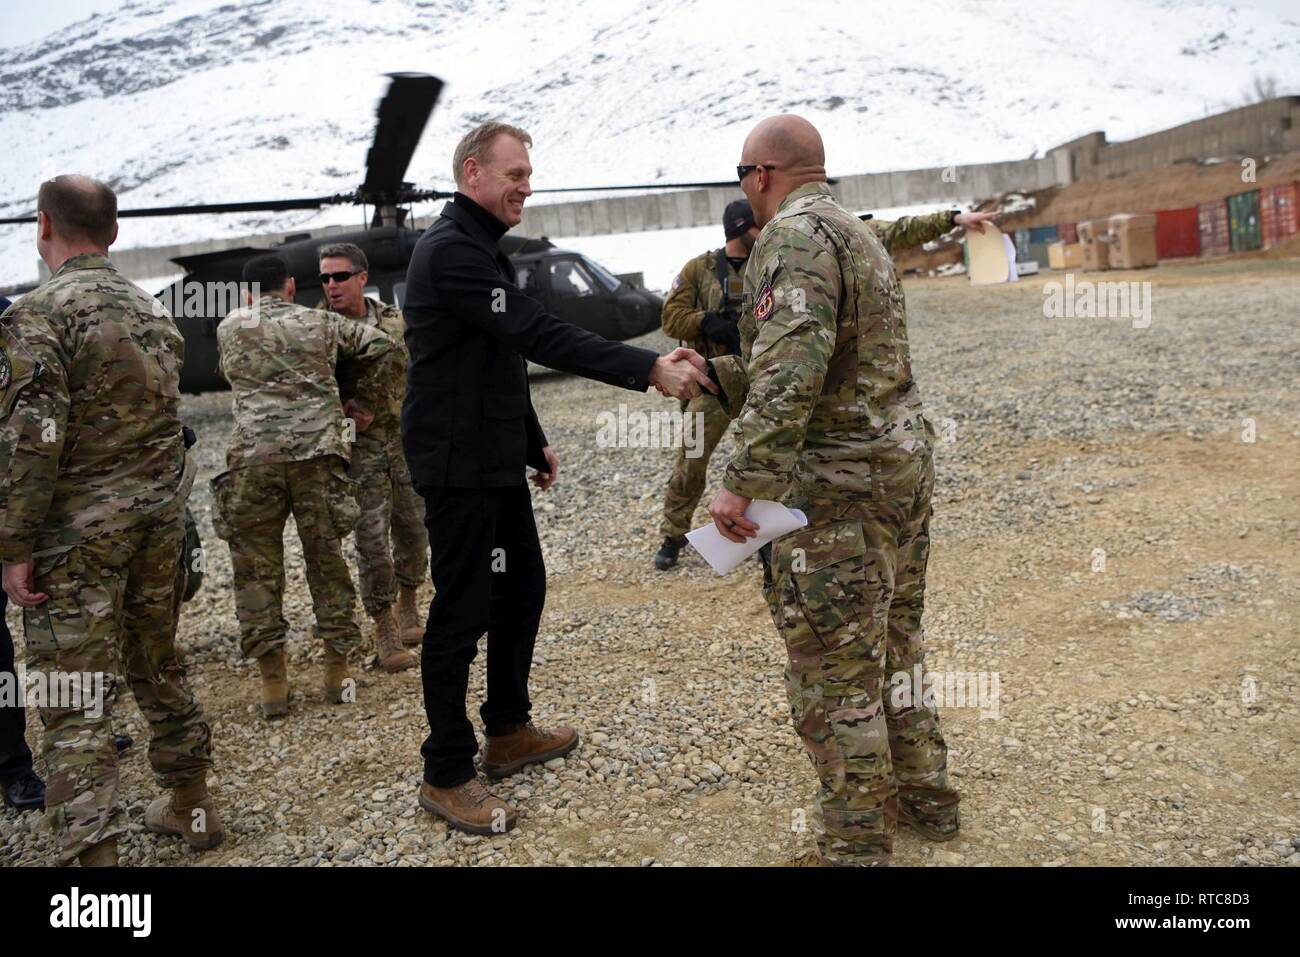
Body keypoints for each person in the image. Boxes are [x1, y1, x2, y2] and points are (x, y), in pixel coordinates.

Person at [403, 120, 716, 835]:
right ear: (474, 172)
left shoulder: (480, 246)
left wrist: (532, 440)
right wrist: (645, 368)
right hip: (455, 464)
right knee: (461, 609)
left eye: (528, 173)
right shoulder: (451, 251)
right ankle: (446, 769)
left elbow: (498, 353)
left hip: (490, 454)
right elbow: (534, 332)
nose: (527, 185)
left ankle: (507, 729)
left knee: (523, 585)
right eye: (515, 173)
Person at [707, 117, 992, 866]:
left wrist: (740, 482)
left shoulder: (793, 238)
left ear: (761, 174)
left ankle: (857, 841)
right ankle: (928, 797)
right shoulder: (855, 231)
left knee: (835, 661)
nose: (745, 188)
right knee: (895, 638)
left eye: (743, 175)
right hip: (898, 472)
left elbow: (792, 370)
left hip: (837, 488)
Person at [0, 175, 218, 865]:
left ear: (42, 226)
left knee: (74, 697)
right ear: (114, 231)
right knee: (158, 665)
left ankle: (94, 871)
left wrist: (13, 544)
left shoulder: (38, 316)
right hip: (156, 526)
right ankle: (193, 806)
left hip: (77, 542)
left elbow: (31, 442)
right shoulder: (152, 311)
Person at [212, 254, 397, 717]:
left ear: (247, 292)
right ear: (291, 286)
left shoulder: (230, 327)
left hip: (253, 462)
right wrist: (361, 401)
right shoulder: (321, 323)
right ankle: (337, 671)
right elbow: (386, 349)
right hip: (318, 458)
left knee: (256, 570)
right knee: (327, 561)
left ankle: (273, 682)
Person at [318, 243, 426, 663]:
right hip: (357, 450)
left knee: (414, 528)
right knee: (371, 540)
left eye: (339, 276)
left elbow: (415, 370)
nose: (331, 285)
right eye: (324, 278)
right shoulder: (317, 328)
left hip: (402, 441)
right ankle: (384, 630)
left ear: (362, 278)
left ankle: (410, 605)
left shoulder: (393, 320)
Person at [653, 200, 760, 571]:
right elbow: (670, 317)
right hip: (713, 384)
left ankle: (765, 533)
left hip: (760, 380)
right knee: (691, 462)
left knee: (764, 458)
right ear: (739, 227)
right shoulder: (699, 269)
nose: (763, 231)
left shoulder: (770, 262)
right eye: (756, 225)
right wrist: (706, 322)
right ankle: (672, 534)